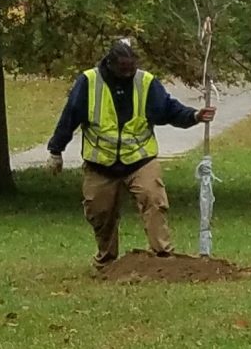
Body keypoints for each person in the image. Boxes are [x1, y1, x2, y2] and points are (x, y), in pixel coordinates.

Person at [46, 36, 215, 265]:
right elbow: (70, 117)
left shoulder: (145, 82)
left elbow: (168, 110)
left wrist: (194, 116)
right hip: (100, 165)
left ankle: (163, 256)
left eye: (131, 68)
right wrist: (56, 151)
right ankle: (106, 260)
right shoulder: (88, 82)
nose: (128, 73)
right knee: (99, 211)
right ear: (110, 63)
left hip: (140, 160)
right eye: (123, 69)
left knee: (154, 199)